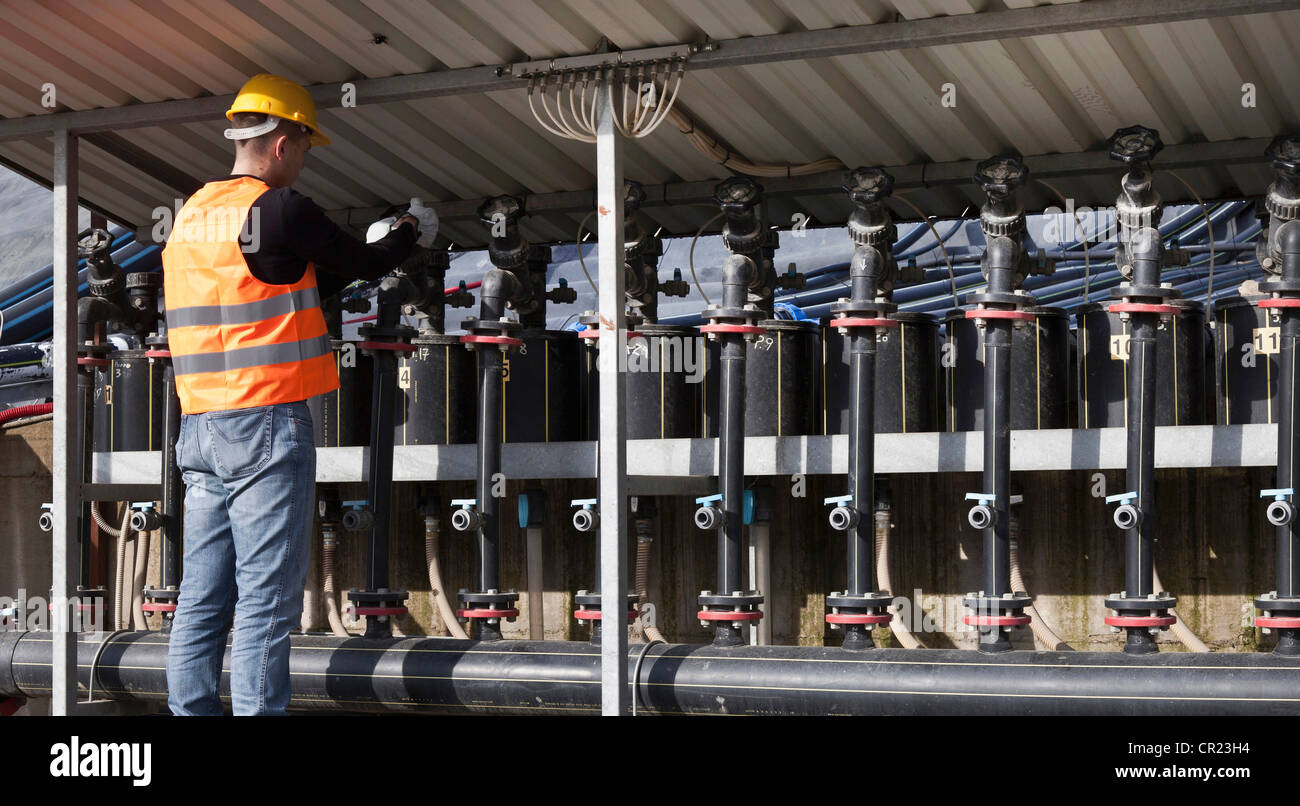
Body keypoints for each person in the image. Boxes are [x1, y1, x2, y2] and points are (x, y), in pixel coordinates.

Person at [161, 73, 434, 715]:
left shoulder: (192, 214)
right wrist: (409, 231)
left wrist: (367, 254)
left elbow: (281, 289)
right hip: (265, 421)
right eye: (306, 148)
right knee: (267, 597)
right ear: (283, 143)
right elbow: (361, 263)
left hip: (200, 426)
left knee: (201, 597)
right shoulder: (282, 208)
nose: (305, 161)